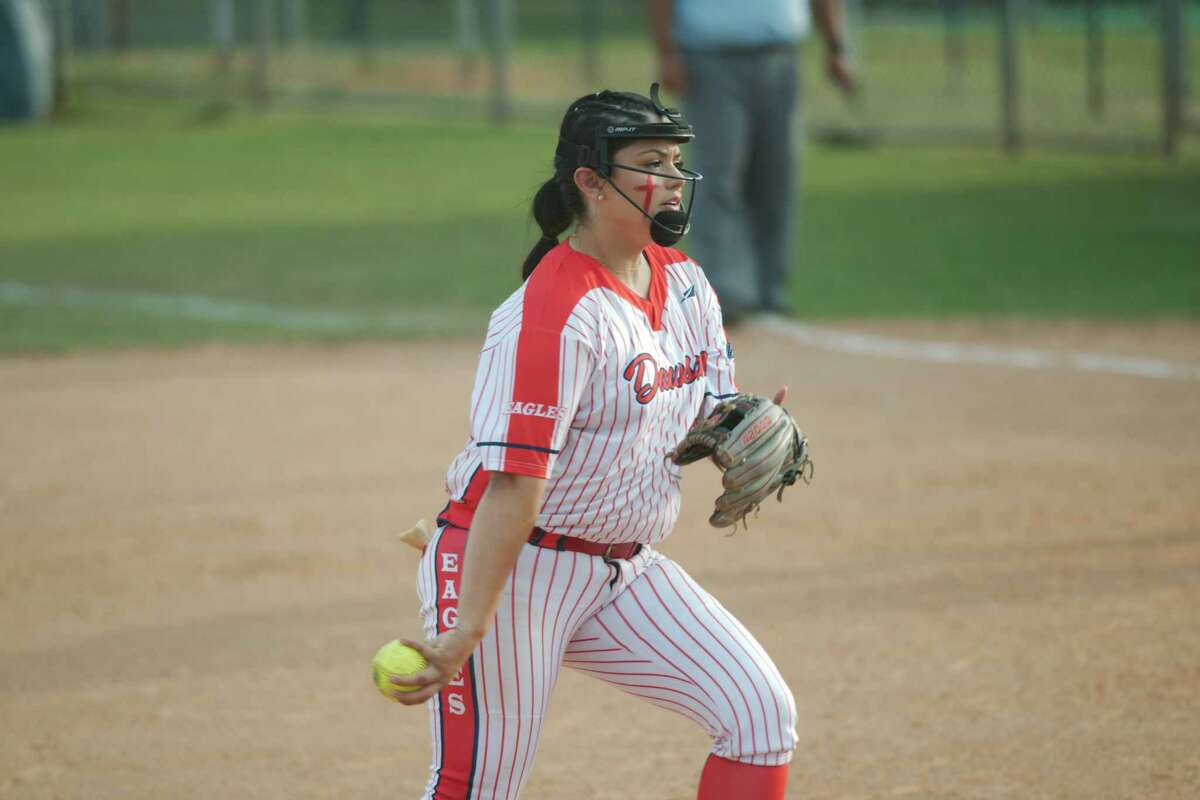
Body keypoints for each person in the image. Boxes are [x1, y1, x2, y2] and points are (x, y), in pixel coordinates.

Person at [392, 85, 798, 800]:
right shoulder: (554, 313)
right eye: (652, 162)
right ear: (590, 180)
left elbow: (704, 402)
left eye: (676, 162)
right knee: (477, 788)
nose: (674, 180)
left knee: (759, 714)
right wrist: (465, 630)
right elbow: (517, 482)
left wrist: (739, 424)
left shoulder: (688, 284)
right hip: (515, 570)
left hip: (624, 573)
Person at [647, 0, 856, 321]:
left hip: (781, 55)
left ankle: (768, 293)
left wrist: (835, 45)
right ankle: (722, 292)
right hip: (709, 57)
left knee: (776, 176)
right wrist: (666, 52)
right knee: (717, 175)